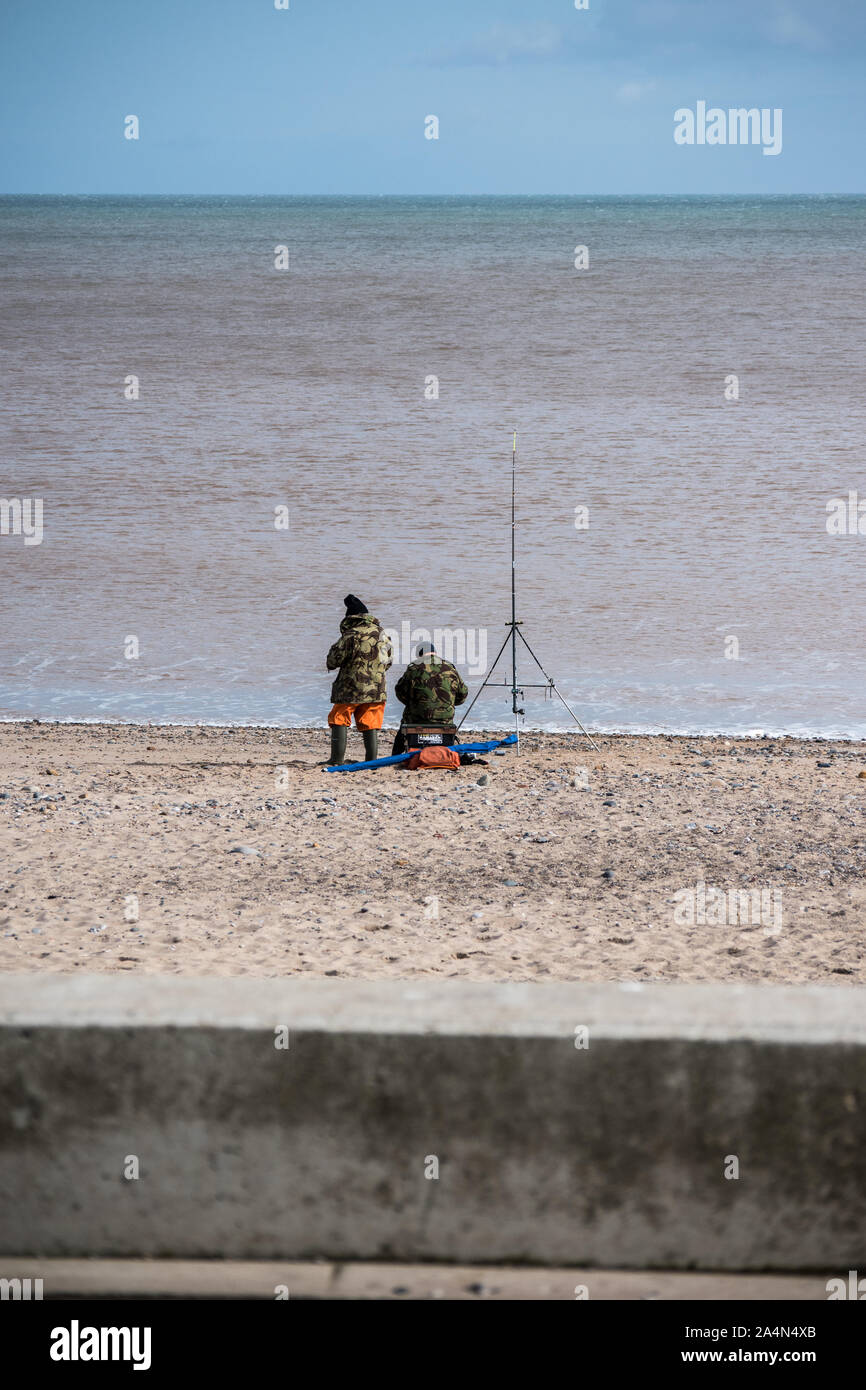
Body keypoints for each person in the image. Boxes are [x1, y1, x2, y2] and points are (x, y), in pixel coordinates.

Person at [325, 594, 393, 765]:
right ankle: (371, 760)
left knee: (339, 717)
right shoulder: (382, 634)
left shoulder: (351, 635)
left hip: (350, 688)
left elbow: (333, 660)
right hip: (376, 688)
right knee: (370, 720)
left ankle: (336, 760)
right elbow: (388, 661)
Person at [392, 641, 468, 755]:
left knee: (404, 723)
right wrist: (448, 703)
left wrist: (414, 702)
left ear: (420, 654)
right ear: (435, 653)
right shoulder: (450, 668)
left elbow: (400, 692)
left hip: (416, 720)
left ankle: (395, 757)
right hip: (445, 721)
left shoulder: (413, 668)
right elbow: (462, 695)